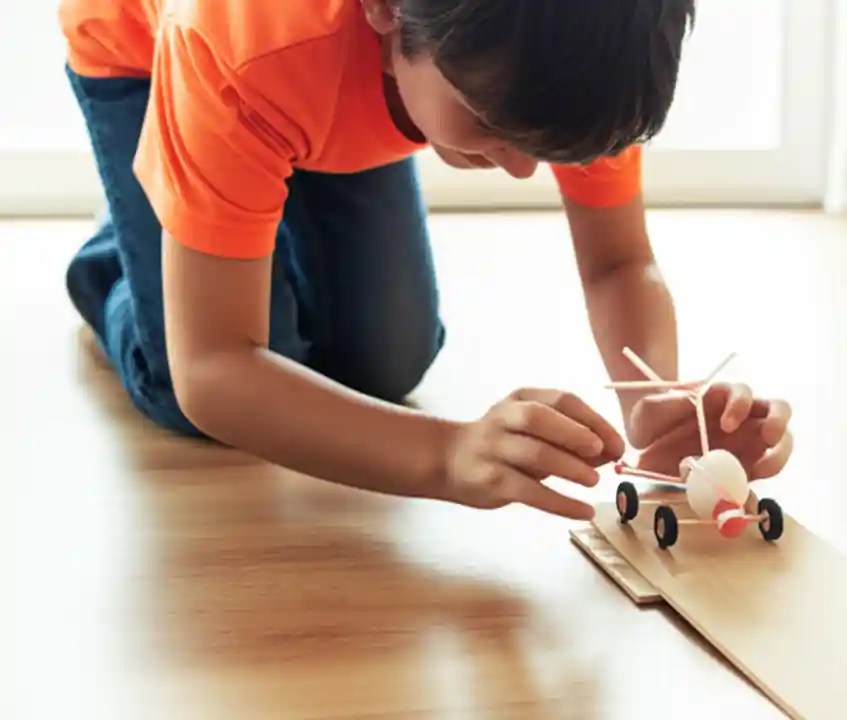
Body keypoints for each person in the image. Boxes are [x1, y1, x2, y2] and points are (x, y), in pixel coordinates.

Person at [56, 0, 794, 521]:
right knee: (195, 388)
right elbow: (214, 368)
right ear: (385, 9)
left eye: (546, 146)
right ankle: (124, 252)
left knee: (386, 362)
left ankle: (222, 219)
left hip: (331, 85)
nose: (518, 170)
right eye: (488, 123)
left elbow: (619, 264)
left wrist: (654, 400)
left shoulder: (579, 51)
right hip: (149, 54)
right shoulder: (238, 39)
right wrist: (448, 456)